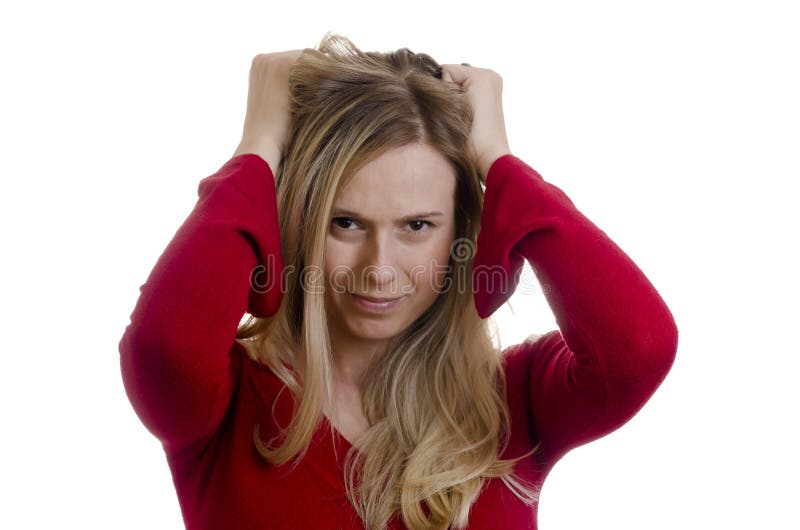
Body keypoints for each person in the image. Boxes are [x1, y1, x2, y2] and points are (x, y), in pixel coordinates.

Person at [118, 32, 679, 530]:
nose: (379, 268)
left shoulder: (512, 401)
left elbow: (639, 346)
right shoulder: (221, 402)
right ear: (297, 222)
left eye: (416, 225)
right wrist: (258, 146)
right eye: (345, 222)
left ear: (462, 230)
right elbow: (165, 346)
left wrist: (499, 161)